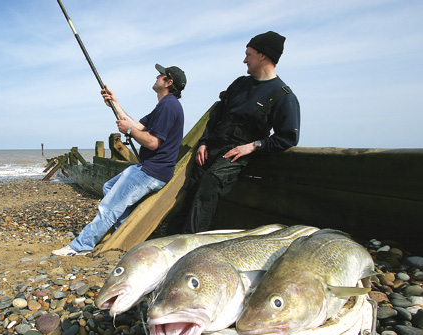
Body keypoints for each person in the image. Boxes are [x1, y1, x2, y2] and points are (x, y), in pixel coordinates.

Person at [53, 63, 187, 256]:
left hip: (151, 172)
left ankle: (80, 246)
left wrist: (129, 131)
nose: (156, 77)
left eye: (160, 75)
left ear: (169, 81)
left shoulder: (169, 106)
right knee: (109, 188)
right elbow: (137, 126)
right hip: (149, 168)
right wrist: (114, 103)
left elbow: (152, 142)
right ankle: (126, 233)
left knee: (109, 206)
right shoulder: (164, 105)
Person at [180, 31, 300, 234]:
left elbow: (288, 137)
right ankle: (169, 243)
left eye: (249, 54)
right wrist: (203, 141)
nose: (245, 60)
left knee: (210, 184)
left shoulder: (283, 96)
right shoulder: (239, 84)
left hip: (238, 153)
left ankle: (190, 246)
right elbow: (217, 116)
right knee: (191, 185)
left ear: (263, 55)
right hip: (213, 146)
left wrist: (254, 146)